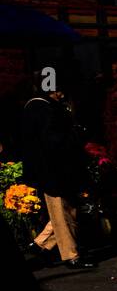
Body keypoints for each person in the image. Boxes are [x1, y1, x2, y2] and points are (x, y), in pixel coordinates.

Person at [21, 75, 94, 270]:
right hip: (53, 168)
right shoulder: (42, 108)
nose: (61, 94)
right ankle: (71, 255)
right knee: (62, 212)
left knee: (67, 210)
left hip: (55, 168)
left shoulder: (40, 106)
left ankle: (40, 245)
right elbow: (52, 141)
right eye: (58, 90)